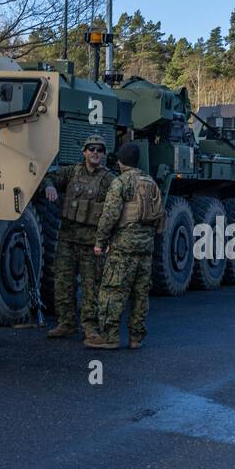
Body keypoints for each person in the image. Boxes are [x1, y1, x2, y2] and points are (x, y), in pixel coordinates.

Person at [89, 142, 165, 350]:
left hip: (123, 247)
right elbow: (160, 216)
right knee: (140, 294)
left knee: (112, 291)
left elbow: (110, 215)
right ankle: (136, 337)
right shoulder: (150, 182)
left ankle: (109, 336)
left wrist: (100, 242)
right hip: (146, 248)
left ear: (120, 161)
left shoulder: (120, 182)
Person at [42, 135, 114, 338]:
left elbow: (117, 208)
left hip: (92, 243)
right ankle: (66, 323)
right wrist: (49, 186)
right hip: (68, 239)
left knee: (92, 286)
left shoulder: (109, 179)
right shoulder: (71, 172)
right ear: (84, 152)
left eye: (100, 150)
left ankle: (90, 327)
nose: (95, 153)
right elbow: (48, 177)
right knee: (63, 282)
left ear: (104, 154)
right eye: (91, 149)